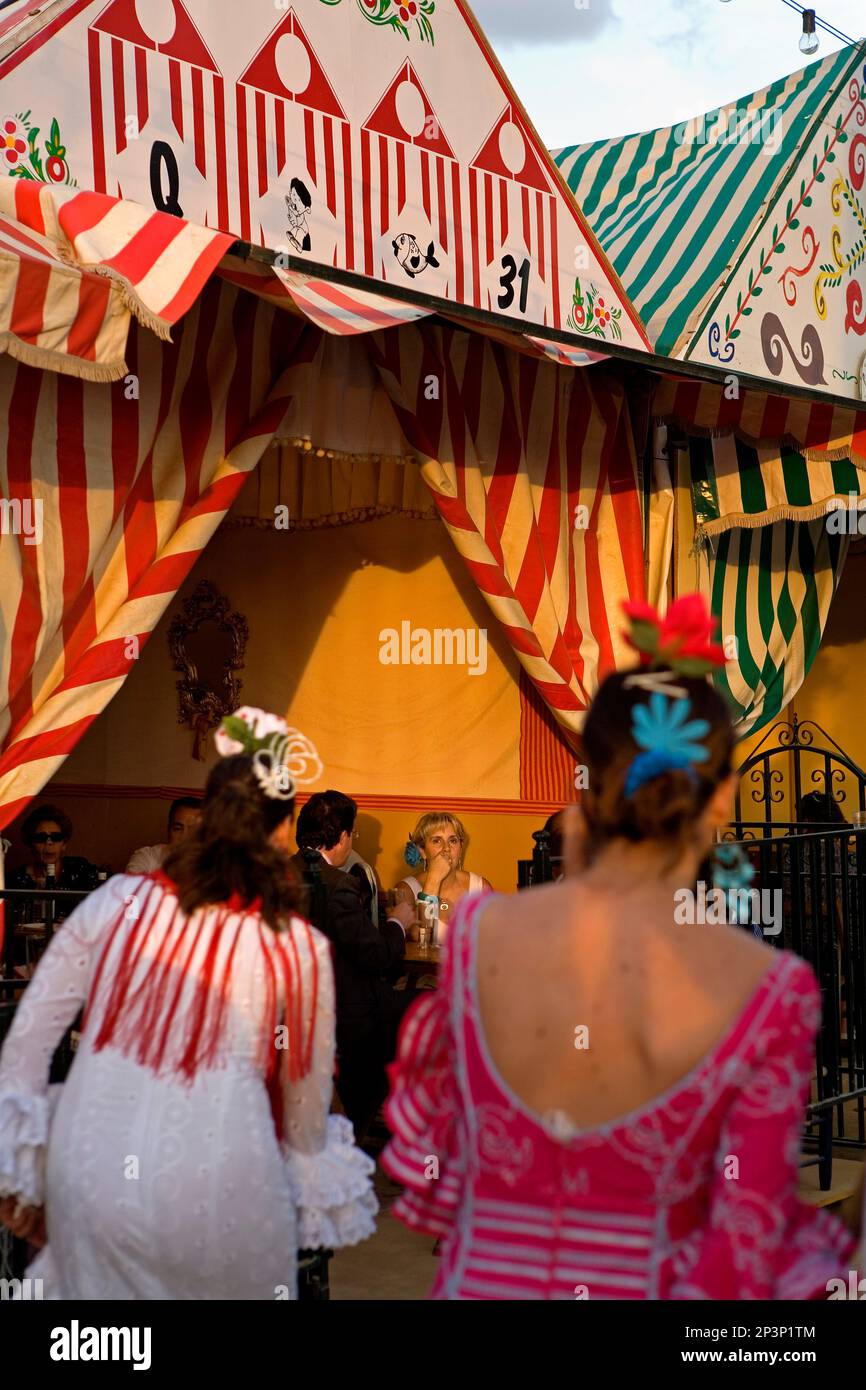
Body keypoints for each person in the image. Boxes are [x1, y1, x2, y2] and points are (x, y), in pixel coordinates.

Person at [383, 595, 860, 1299]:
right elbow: (741, 1246)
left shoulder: (480, 934)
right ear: (722, 795)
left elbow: (439, 1160)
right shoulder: (770, 989)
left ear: (592, 785)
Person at [0, 708, 377, 1298]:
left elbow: (25, 1045)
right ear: (281, 832)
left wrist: (25, 1171)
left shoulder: (117, 901)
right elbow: (304, 1114)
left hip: (95, 1164)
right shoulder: (296, 945)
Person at [290, 790, 413, 1143]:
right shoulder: (340, 886)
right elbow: (377, 955)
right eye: (353, 834)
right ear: (342, 836)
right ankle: (359, 1129)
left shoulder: (277, 875)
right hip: (341, 1010)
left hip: (289, 1008)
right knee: (423, 1008)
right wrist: (398, 923)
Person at [394, 812, 492, 943]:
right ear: (422, 851)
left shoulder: (481, 888)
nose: (446, 848)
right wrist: (433, 880)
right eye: (437, 841)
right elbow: (420, 939)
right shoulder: (405, 890)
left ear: (461, 848)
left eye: (453, 841)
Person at [7, 804, 100, 892]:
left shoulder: (81, 869)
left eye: (56, 837)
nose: (49, 843)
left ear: (64, 844)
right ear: (30, 843)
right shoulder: (15, 880)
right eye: (41, 838)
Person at [126, 797, 202, 874]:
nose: (184, 837)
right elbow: (132, 883)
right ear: (168, 831)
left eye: (193, 830)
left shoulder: (212, 865)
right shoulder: (148, 857)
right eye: (177, 829)